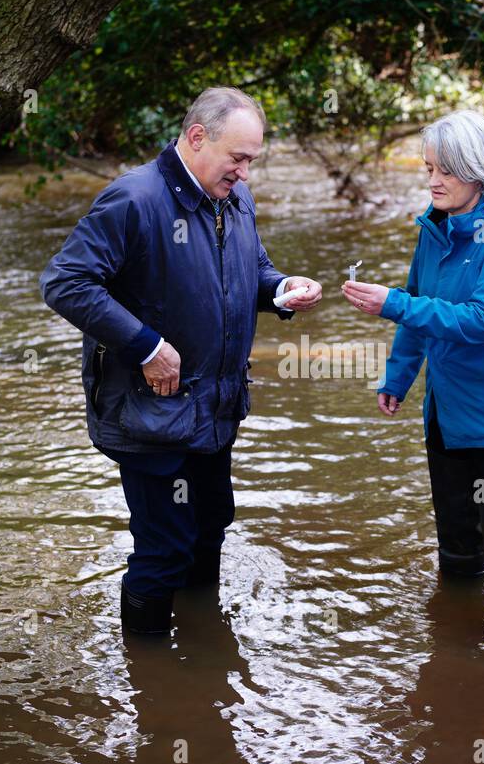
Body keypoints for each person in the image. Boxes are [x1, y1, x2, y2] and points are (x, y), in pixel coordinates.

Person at [40, 87, 322, 637]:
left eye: (251, 161)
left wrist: (282, 289)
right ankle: (151, 682)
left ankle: (201, 654)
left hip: (213, 410)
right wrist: (146, 345)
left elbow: (251, 270)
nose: (244, 171)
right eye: (237, 158)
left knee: (210, 526)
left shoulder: (235, 198)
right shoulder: (135, 200)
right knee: (164, 547)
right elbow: (65, 282)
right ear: (197, 138)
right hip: (150, 415)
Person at [342, 110, 484, 638]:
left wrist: (392, 304)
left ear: (479, 171)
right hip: (447, 418)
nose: (434, 181)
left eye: (447, 170)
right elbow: (421, 305)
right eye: (430, 168)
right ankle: (458, 656)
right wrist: (398, 377)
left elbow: (481, 322)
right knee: (457, 551)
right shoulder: (435, 228)